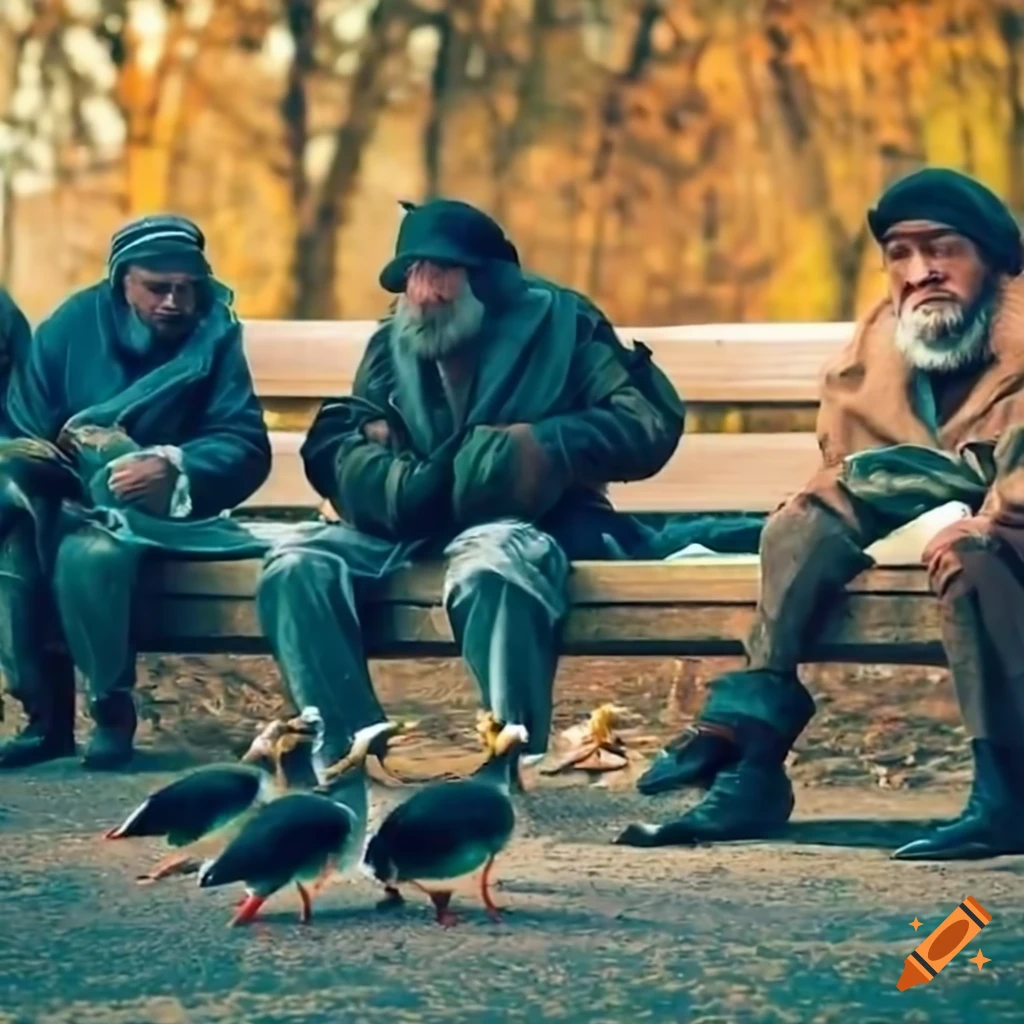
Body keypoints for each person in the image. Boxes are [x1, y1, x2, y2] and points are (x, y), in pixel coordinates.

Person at [621, 168, 1024, 861]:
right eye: (900, 254)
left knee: (969, 561)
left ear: (993, 261)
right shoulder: (881, 343)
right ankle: (750, 739)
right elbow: (856, 465)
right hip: (939, 514)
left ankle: (1005, 795)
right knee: (804, 519)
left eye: (943, 249)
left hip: (1006, 526)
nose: (920, 272)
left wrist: (990, 521)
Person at [256, 198, 686, 772]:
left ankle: (512, 758)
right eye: (413, 273)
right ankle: (346, 752)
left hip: (529, 523)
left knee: (492, 566)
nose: (423, 291)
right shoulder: (393, 337)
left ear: (488, 279)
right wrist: (372, 471)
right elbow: (357, 431)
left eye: (442, 271)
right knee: (295, 563)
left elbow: (645, 425)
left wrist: (545, 446)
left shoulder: (563, 324)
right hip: (409, 528)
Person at [0, 214, 272, 771]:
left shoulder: (215, 334)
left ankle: (111, 712)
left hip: (157, 515)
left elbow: (243, 441)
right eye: (157, 287)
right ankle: (42, 717)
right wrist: (49, 462)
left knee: (91, 552)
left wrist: (176, 466)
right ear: (121, 280)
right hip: (55, 503)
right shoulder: (71, 325)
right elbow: (25, 420)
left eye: (186, 289)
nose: (173, 302)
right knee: (16, 551)